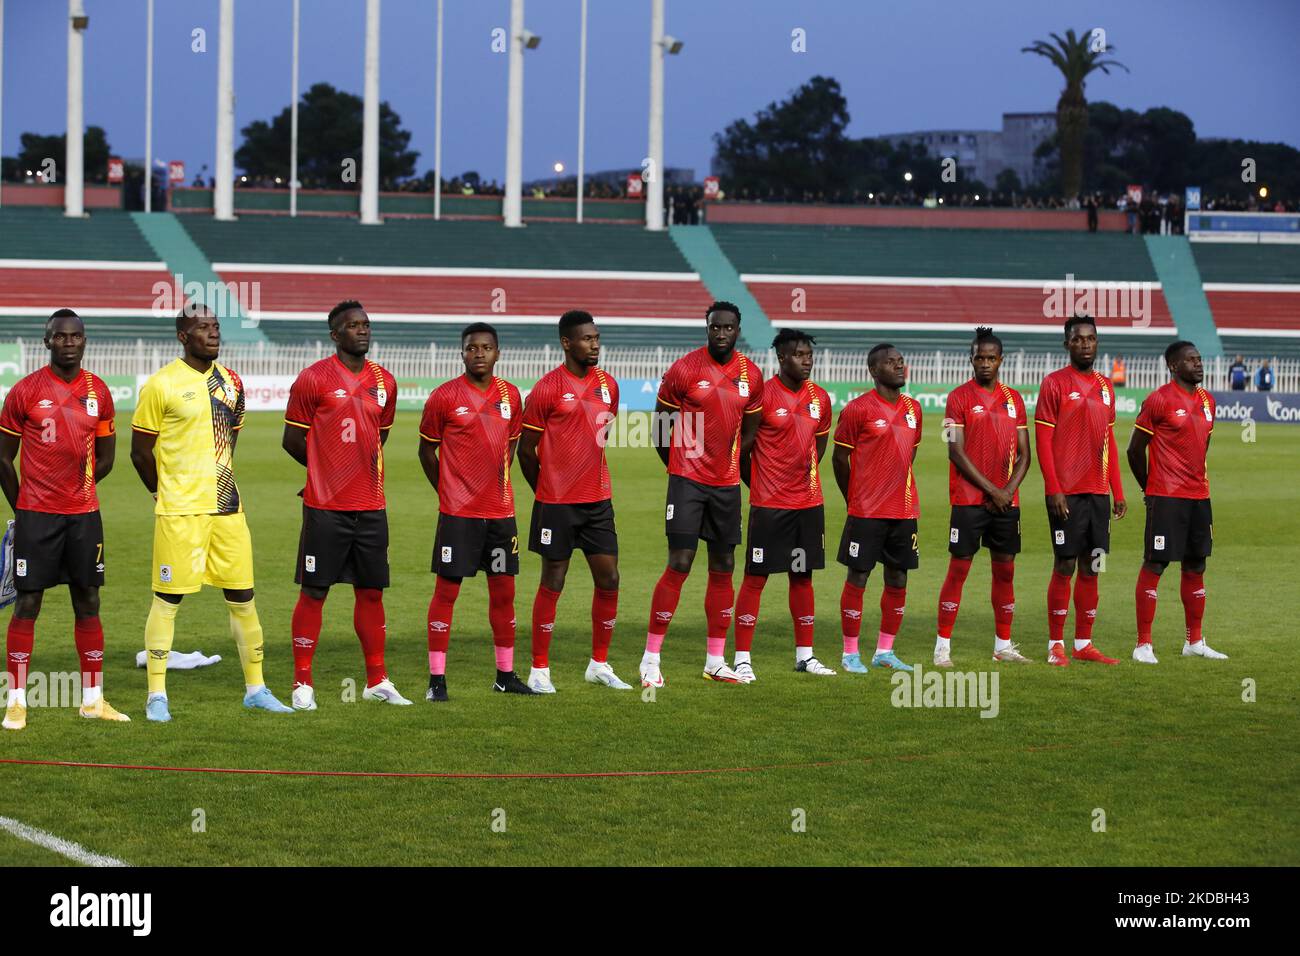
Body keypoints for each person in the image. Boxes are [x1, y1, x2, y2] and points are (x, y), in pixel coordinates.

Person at [130, 304, 293, 720]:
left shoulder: (232, 383)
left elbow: (229, 444)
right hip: (180, 511)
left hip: (227, 509)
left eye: (216, 327)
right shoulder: (161, 385)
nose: (213, 333)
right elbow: (140, 452)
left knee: (243, 597)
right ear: (183, 336)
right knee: (168, 599)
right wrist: (160, 492)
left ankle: (256, 688)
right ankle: (156, 695)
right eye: (202, 328)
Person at [0, 310, 129, 730]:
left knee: (88, 601)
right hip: (36, 516)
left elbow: (107, 455)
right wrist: (22, 507)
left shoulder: (99, 391)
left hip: (84, 516)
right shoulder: (24, 391)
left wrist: (84, 484)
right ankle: (16, 700)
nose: (69, 342)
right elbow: (3, 457)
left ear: (84, 341)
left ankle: (92, 700)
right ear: (47, 341)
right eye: (60, 336)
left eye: (76, 336)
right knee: (28, 603)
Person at [281, 300, 410, 710]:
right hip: (325, 507)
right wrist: (326, 468)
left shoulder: (385, 382)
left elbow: (379, 437)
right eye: (353, 326)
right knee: (315, 590)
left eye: (366, 324)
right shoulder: (312, 379)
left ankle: (377, 679)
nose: (363, 330)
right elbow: (291, 440)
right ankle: (303, 683)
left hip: (371, 505)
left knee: (371, 592)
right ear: (335, 335)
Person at [641, 301, 764, 687]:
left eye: (728, 327)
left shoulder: (751, 375)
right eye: (715, 327)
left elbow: (752, 429)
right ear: (706, 327)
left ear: (738, 329)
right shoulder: (685, 369)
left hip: (725, 486)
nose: (722, 333)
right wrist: (678, 464)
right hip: (687, 480)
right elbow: (661, 425)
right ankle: (650, 659)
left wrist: (729, 459)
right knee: (680, 561)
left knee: (724, 565)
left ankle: (715, 660)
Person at [419, 322, 535, 699]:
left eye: (486, 347)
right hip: (459, 517)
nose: (479, 353)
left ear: (498, 353)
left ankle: (505, 675)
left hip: (501, 516)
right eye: (472, 348)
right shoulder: (444, 397)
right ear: (462, 353)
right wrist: (449, 491)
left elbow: (512, 447)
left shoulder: (512, 396)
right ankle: (437, 681)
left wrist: (495, 485)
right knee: (446, 593)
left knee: (503, 594)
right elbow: (426, 451)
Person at [517, 310, 630, 693]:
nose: (594, 344)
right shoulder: (547, 389)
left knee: (610, 579)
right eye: (586, 339)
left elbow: (602, 436)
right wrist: (546, 490)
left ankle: (599, 664)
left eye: (597, 337)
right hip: (557, 504)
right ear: (567, 343)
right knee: (554, 581)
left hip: (598, 501)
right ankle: (539, 670)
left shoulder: (609, 386)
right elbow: (526, 451)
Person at [733, 329, 837, 680]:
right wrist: (760, 482)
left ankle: (805, 656)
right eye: (798, 354)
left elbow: (817, 449)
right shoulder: (762, 394)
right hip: (769, 505)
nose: (806, 360)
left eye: (809, 354)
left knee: (801, 576)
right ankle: (742, 657)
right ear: (781, 357)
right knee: (756, 576)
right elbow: (743, 449)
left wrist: (800, 479)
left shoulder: (820, 399)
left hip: (807, 505)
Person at [934, 327, 1033, 666]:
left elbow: (1025, 455)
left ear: (1000, 360)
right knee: (958, 570)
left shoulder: (1014, 399)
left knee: (1005, 572)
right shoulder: (957, 397)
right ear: (971, 359)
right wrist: (994, 491)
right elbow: (954, 452)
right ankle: (942, 648)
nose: (985, 363)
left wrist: (1007, 493)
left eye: (991, 357)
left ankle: (1003, 646)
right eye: (980, 357)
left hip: (1007, 503)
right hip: (968, 501)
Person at [1034, 314, 1127, 667]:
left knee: (1094, 564)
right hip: (1066, 493)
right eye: (1078, 339)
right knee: (1065, 563)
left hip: (1098, 493)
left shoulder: (1106, 386)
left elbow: (1110, 441)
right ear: (1067, 344)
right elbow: (1043, 439)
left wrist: (1117, 490)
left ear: (1097, 343)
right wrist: (1054, 488)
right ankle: (1055, 644)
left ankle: (1084, 643)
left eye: (1090, 338)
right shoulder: (1054, 384)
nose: (1085, 344)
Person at [1128, 341, 1227, 663]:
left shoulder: (1207, 400)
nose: (1199, 364)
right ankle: (1144, 645)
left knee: (1196, 564)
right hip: (1167, 497)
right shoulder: (1159, 399)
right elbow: (1134, 450)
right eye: (1191, 360)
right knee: (1156, 564)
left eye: (1199, 359)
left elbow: (1203, 446)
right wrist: (1150, 488)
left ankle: (1194, 641)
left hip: (1199, 497)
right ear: (1174, 366)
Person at [832, 344, 921, 674]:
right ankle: (849, 653)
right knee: (858, 576)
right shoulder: (858, 409)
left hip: (904, 510)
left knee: (898, 578)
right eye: (891, 362)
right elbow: (840, 459)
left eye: (901, 361)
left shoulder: (914, 409)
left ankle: (885, 651)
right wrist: (854, 498)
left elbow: (907, 455)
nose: (899, 367)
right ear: (874, 370)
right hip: (866, 511)